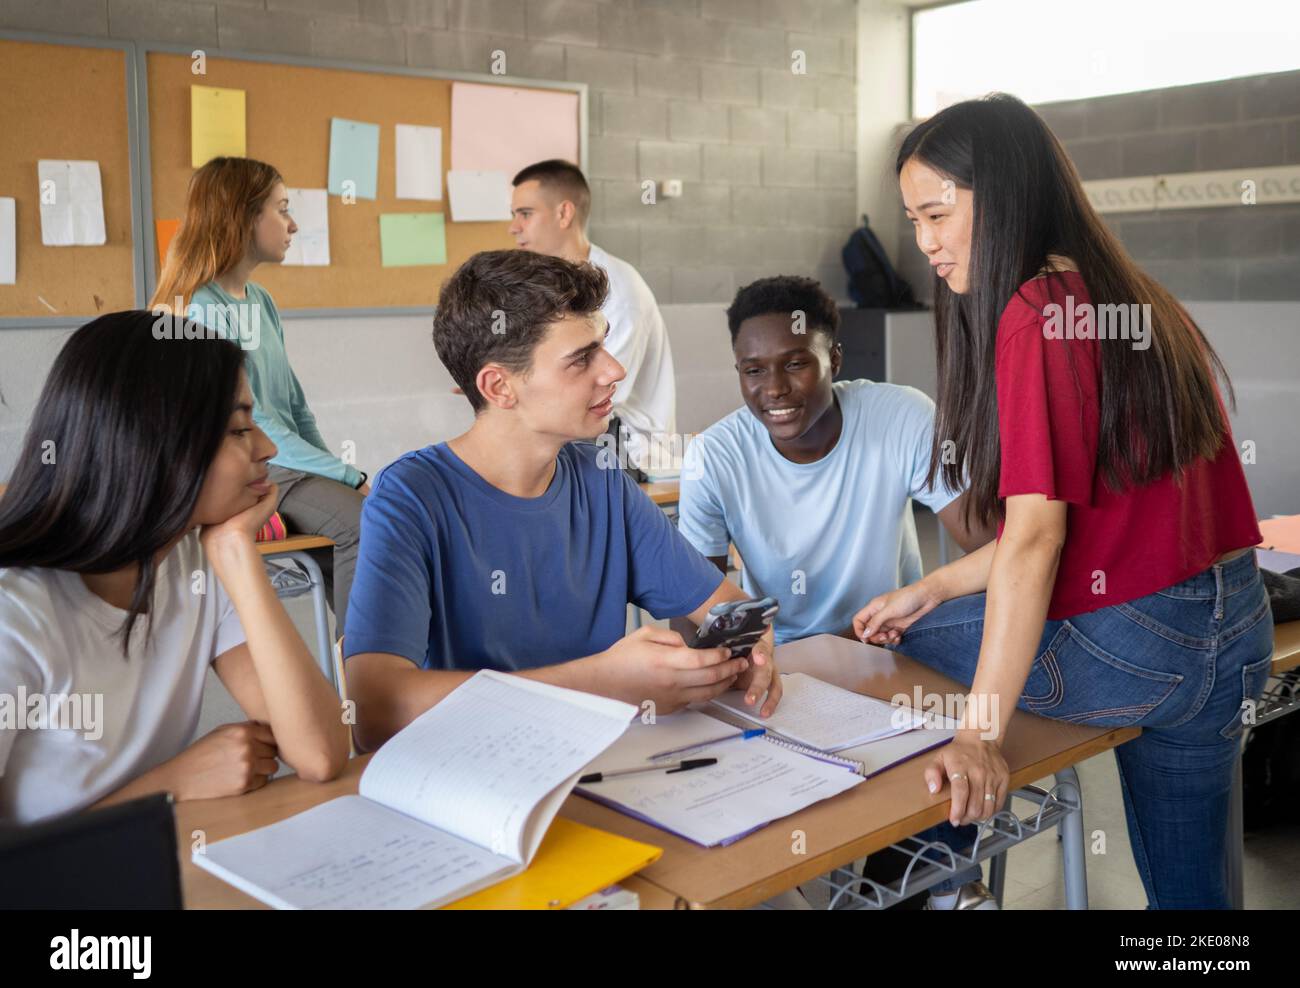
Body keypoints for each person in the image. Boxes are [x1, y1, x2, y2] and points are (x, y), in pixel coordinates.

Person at [853, 94, 1270, 910]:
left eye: (939, 213)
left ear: (1003, 195)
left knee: (873, 656)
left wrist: (979, 734)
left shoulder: (1034, 314)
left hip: (1142, 643)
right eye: (913, 220)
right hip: (1234, 625)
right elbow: (1084, 525)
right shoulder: (1133, 294)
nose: (926, 243)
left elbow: (1038, 541)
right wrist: (933, 583)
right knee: (1193, 905)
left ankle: (936, 880)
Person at [343, 250, 781, 753]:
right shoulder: (410, 498)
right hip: (473, 774)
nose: (614, 370)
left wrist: (748, 651)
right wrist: (606, 680)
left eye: (604, 345)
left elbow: (725, 608)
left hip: (598, 763)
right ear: (499, 386)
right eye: (581, 358)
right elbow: (374, 712)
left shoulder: (602, 478)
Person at [0, 311, 350, 825]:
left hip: (143, 864)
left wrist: (236, 552)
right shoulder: (15, 616)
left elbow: (320, 753)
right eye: (238, 429)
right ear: (154, 445)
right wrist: (169, 785)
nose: (268, 449)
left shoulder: (190, 560)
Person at [677, 274, 991, 646]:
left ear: (835, 359)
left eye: (795, 364)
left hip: (892, 643)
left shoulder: (901, 417)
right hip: (784, 659)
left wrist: (932, 590)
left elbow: (997, 548)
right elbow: (690, 614)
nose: (775, 388)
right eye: (754, 371)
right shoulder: (713, 457)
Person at [151, 156, 367, 635]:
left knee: (367, 520)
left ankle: (362, 665)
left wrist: (334, 469)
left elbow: (293, 406)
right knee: (365, 525)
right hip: (238, 464)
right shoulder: (201, 308)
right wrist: (351, 478)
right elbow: (257, 422)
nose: (292, 225)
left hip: (278, 461)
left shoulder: (261, 300)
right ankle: (367, 677)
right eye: (282, 209)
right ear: (243, 217)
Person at [509, 159, 675, 473]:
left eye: (525, 214)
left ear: (564, 213)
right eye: (514, 214)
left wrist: (515, 385)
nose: (514, 226)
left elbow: (596, 393)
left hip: (624, 448)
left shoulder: (619, 292)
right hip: (579, 430)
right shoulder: (550, 284)